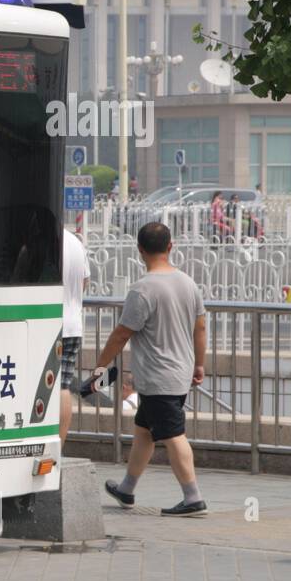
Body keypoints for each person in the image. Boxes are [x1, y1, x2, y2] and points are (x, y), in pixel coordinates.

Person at [94, 222, 208, 517]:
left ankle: (193, 497)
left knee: (173, 435)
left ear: (140, 250)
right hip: (178, 372)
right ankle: (127, 489)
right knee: (144, 430)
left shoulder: (142, 290)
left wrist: (100, 365)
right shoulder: (187, 282)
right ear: (171, 247)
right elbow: (200, 327)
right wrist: (199, 363)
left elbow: (122, 333)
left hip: (158, 377)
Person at [59, 227, 90, 448]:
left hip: (47, 324)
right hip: (73, 324)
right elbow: (84, 282)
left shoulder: (40, 239)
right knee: (63, 386)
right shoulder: (75, 242)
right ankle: (59, 445)